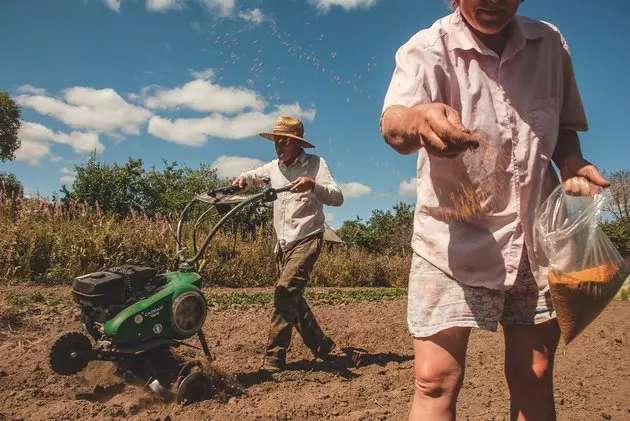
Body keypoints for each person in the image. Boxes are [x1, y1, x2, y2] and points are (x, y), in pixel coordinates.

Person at [380, 1, 609, 420]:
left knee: (535, 375)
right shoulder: (429, 47)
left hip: (534, 241)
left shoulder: (549, 44)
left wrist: (573, 161)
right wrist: (419, 119)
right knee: (434, 379)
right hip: (451, 239)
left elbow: (563, 129)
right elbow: (393, 122)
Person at [233, 116, 344, 373]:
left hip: (307, 236)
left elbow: (337, 197)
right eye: (276, 142)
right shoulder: (274, 167)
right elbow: (252, 176)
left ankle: (274, 357)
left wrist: (313, 185)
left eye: (284, 142)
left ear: (297, 144)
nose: (279, 147)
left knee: (284, 291)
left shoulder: (316, 164)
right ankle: (322, 344)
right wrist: (243, 180)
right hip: (282, 244)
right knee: (292, 297)